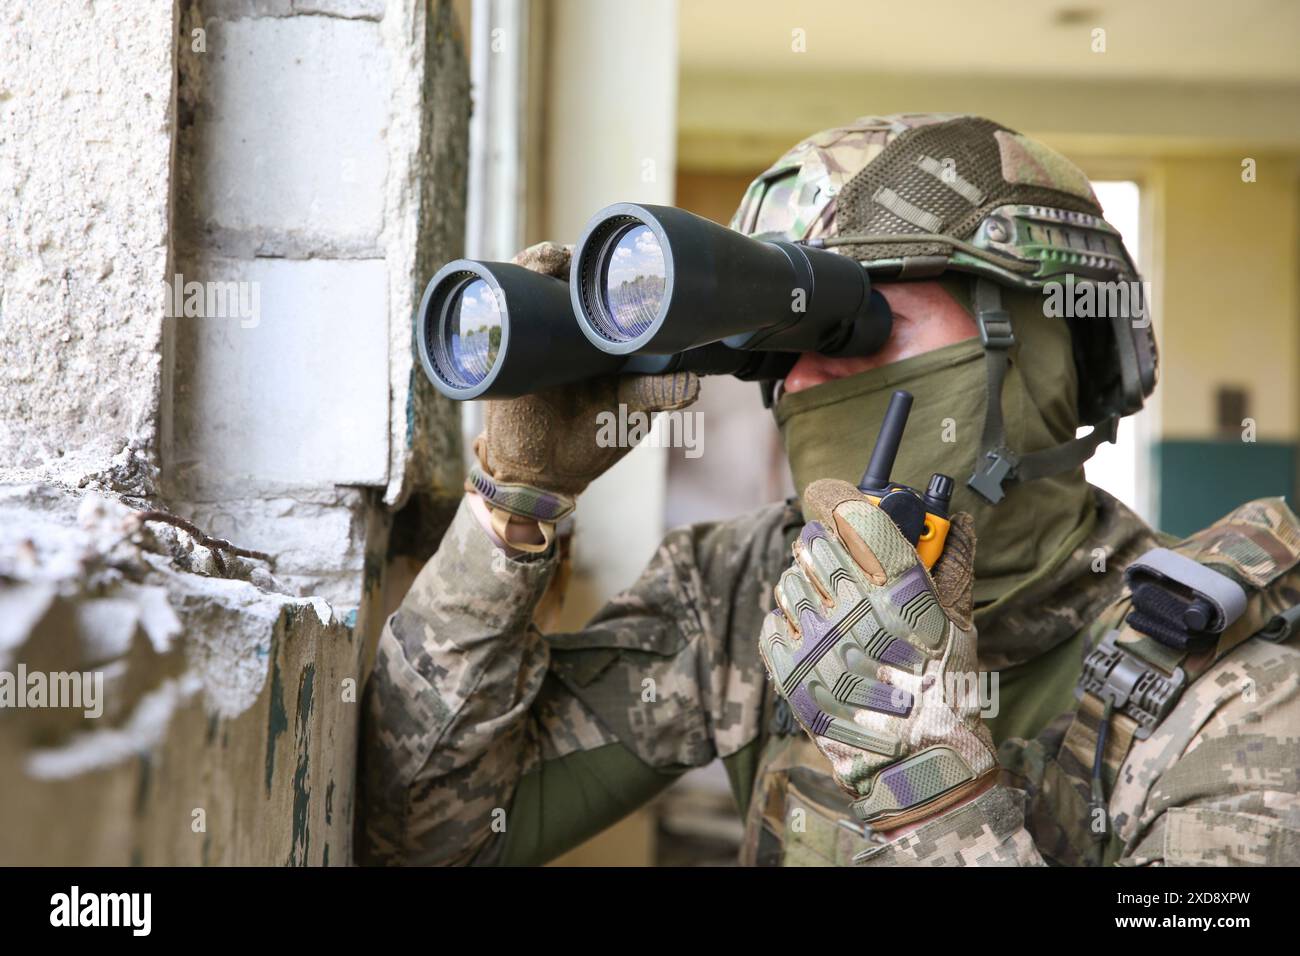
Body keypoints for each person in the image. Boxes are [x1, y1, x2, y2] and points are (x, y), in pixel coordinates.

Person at [355, 114, 1300, 866]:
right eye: (781, 350)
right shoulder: (748, 586)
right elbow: (417, 836)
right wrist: (514, 509)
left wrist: (928, 784)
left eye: (866, 324)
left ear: (1048, 358)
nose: (805, 386)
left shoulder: (1231, 703)